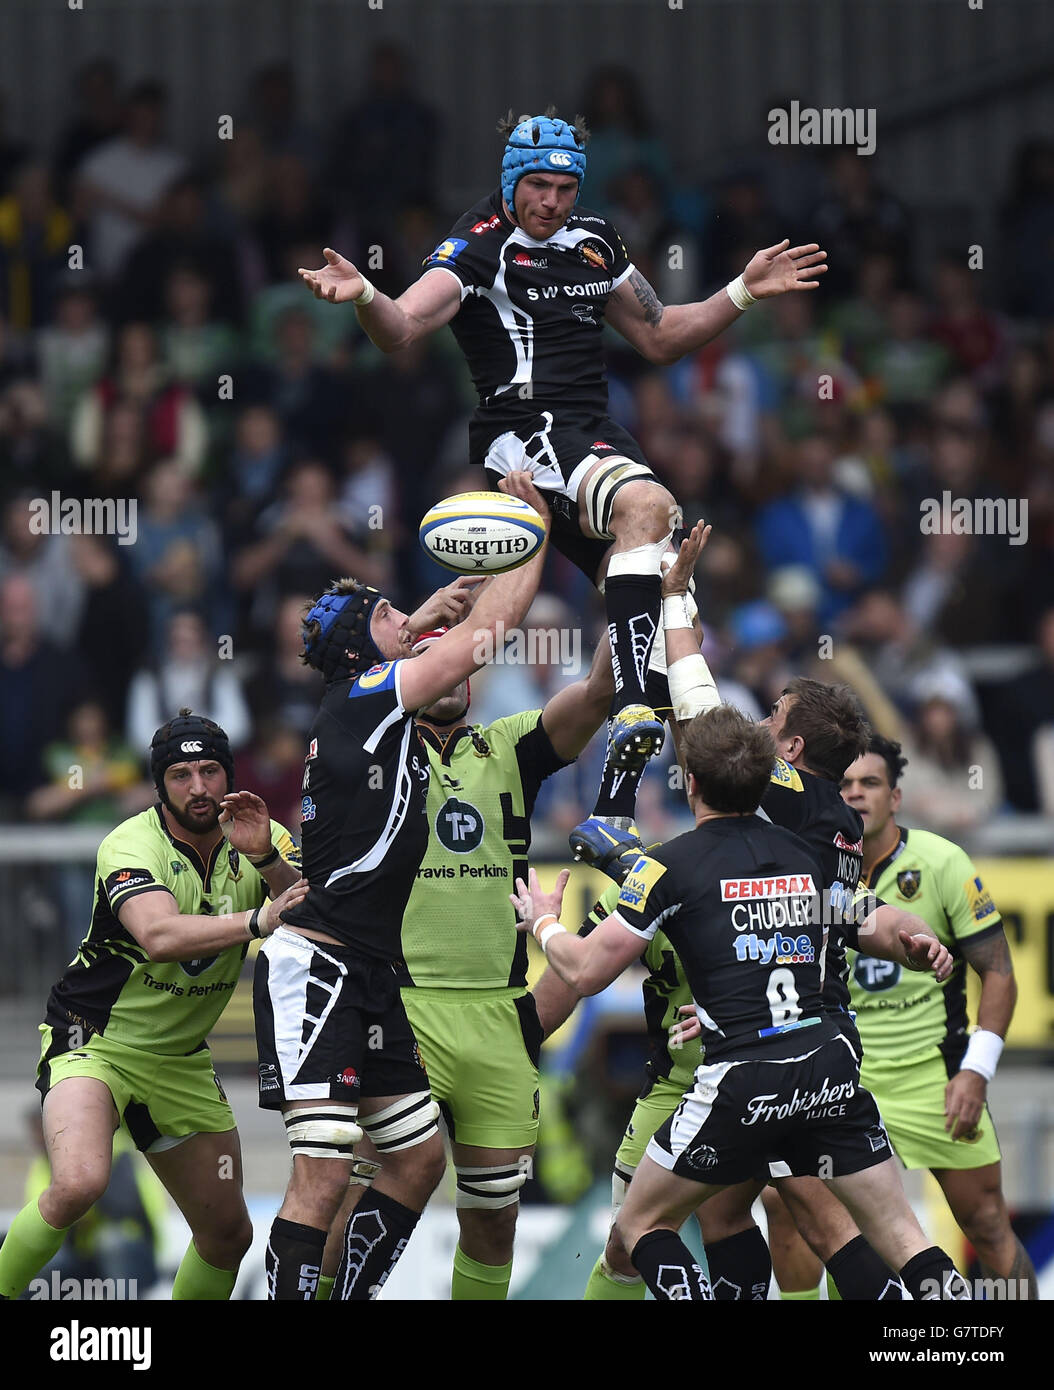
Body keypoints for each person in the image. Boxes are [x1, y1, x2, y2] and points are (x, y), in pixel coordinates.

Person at [298, 108, 827, 870]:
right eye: (538, 186)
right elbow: (405, 326)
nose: (551, 201)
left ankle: (617, 808)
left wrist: (741, 290)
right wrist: (363, 299)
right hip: (529, 440)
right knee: (649, 506)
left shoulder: (597, 241)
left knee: (676, 618)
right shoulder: (477, 247)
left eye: (565, 187)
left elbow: (661, 334)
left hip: (596, 437)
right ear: (511, 181)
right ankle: (643, 715)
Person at [535, 524, 951, 1301]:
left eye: (773, 719)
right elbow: (849, 914)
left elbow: (702, 720)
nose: (758, 725)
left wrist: (671, 599)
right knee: (811, 1220)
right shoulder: (827, 831)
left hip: (755, 1051)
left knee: (660, 1227)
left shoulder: (776, 807)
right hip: (823, 1043)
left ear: (788, 753)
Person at [254, 472, 551, 1300]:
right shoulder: (371, 699)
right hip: (319, 972)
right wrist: (534, 532)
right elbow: (491, 634)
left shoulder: (358, 701)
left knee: (418, 1159)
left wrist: (413, 620)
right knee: (321, 1176)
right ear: (367, 650)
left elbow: (404, 640)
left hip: (370, 969)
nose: (410, 622)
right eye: (392, 616)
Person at [317, 569, 614, 1301]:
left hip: (494, 1011)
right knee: (359, 1189)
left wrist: (632, 587)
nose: (450, 670)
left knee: (493, 1219)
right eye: (434, 655)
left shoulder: (512, 745)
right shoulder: (376, 743)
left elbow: (601, 691)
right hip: (400, 1002)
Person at [0, 710, 306, 1301]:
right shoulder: (129, 843)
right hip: (94, 1040)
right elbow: (160, 936)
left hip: (181, 1058)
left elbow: (311, 916)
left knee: (226, 1234)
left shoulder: (264, 839)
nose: (198, 788)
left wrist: (268, 862)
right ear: (159, 784)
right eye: (181, 774)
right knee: (81, 1182)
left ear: (229, 775)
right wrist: (256, 919)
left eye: (211, 771)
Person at [841, 735, 1038, 1299]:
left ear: (896, 797)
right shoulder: (812, 869)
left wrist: (975, 1071)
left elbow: (998, 971)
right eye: (845, 784)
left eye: (870, 784)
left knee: (988, 1226)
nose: (856, 795)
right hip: (847, 1084)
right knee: (836, 1236)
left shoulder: (943, 862)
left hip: (936, 1078)